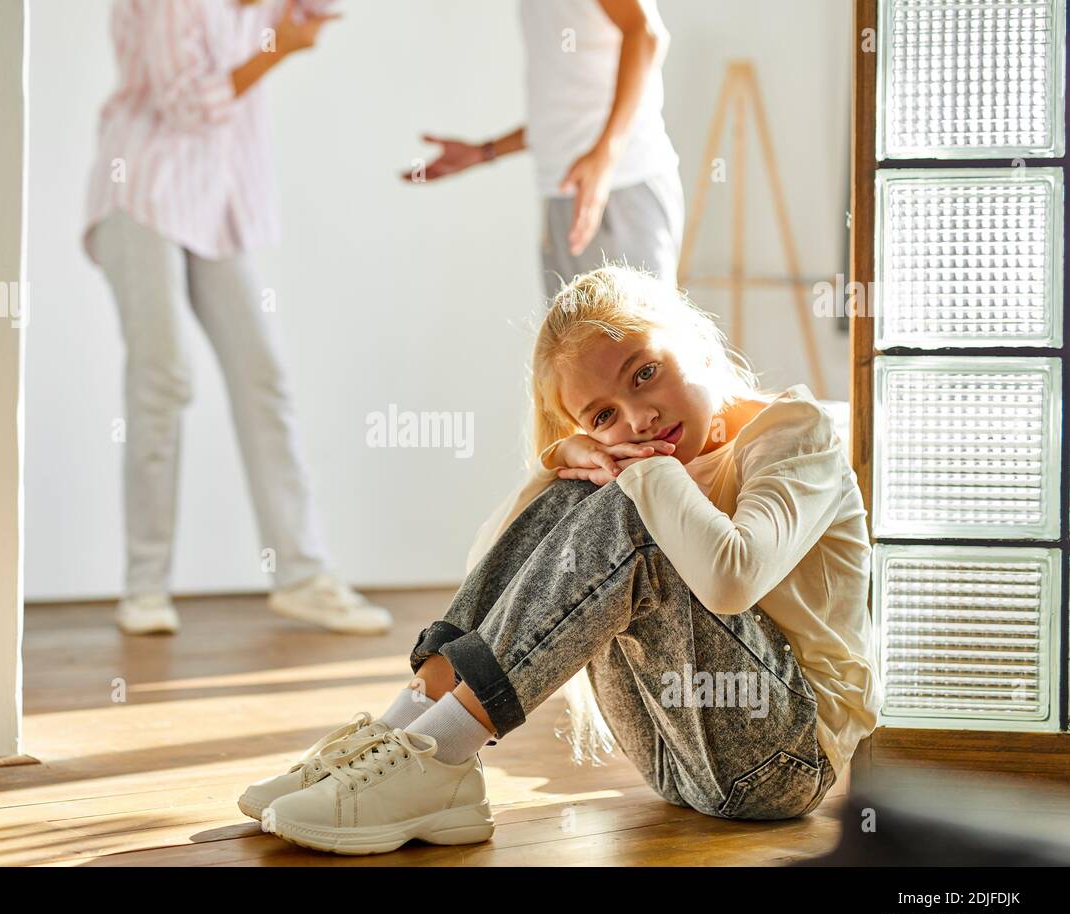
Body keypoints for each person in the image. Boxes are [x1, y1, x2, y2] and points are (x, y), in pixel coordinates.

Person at [238, 265, 883, 855]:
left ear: (694, 339)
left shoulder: (795, 433)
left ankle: (442, 754)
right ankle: (406, 734)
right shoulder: (634, 458)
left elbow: (731, 576)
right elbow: (489, 564)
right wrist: (557, 466)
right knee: (595, 493)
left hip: (785, 755)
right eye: (603, 414)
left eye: (644, 372)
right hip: (669, 753)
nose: (638, 417)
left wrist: (644, 469)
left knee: (634, 505)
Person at [83, 0, 392, 637]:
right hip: (143, 191)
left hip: (213, 208)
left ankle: (301, 576)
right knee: (164, 378)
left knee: (263, 377)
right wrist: (277, 47)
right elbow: (186, 103)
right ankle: (144, 590)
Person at [404, 0, 684, 292]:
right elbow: (568, 111)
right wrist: (485, 151)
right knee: (567, 337)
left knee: (639, 335)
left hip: (622, 183)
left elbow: (646, 35)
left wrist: (606, 155)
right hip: (563, 190)